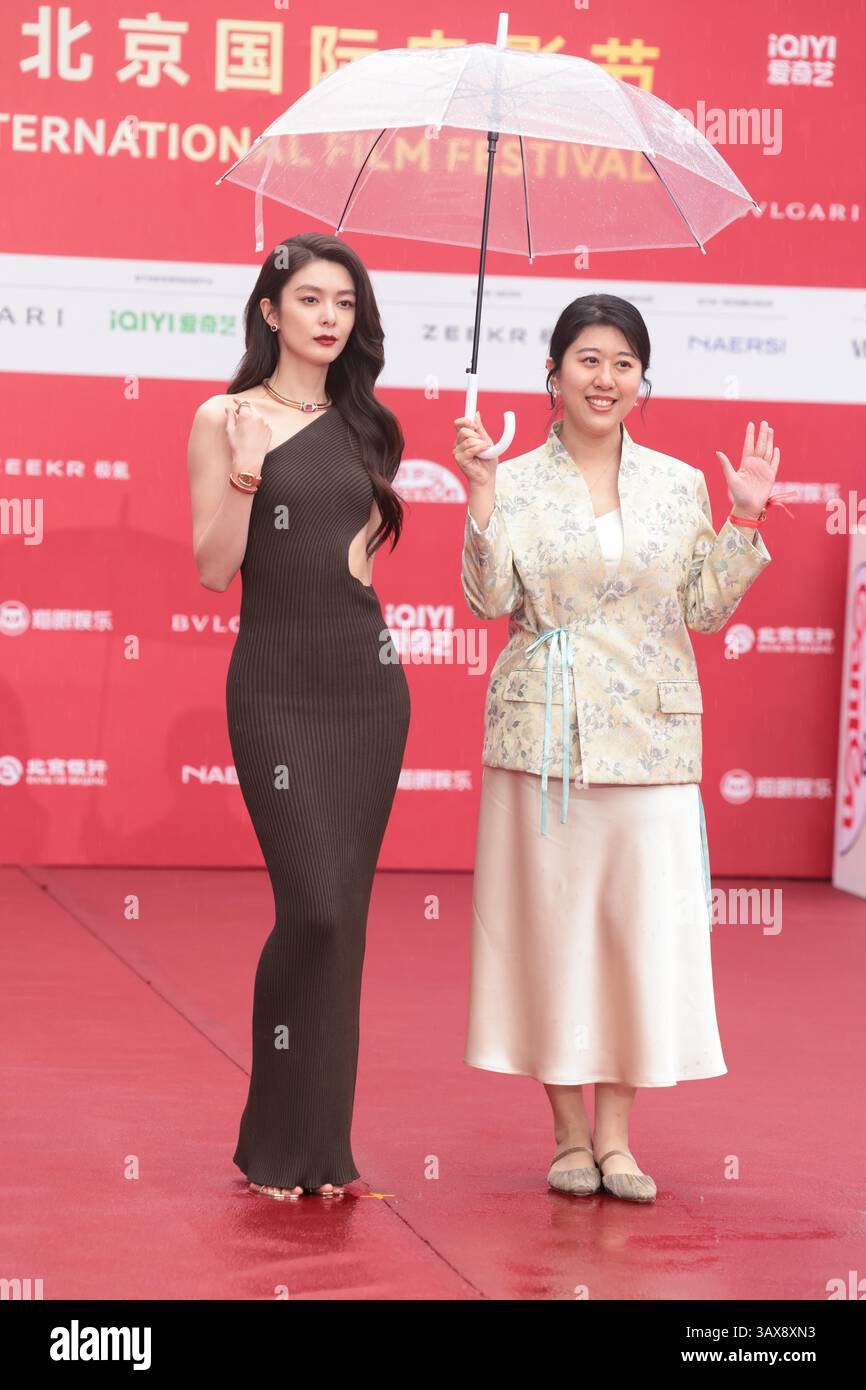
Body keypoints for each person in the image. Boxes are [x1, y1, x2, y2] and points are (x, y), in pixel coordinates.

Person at [455, 292, 786, 1202]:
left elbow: (707, 612)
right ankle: (567, 1136)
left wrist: (745, 520)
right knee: (553, 934)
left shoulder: (678, 483)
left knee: (639, 939)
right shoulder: (513, 477)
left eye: (623, 363)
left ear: (644, 381)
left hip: (651, 741)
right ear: (553, 375)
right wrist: (479, 499)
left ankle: (618, 1139)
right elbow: (488, 602)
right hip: (544, 742)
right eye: (587, 360)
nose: (605, 378)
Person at [187, 232, 410, 1199]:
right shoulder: (225, 416)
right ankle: (275, 1142)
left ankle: (323, 1152)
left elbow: (353, 564)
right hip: (275, 687)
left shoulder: (369, 426)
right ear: (270, 312)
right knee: (311, 908)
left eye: (346, 304)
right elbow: (211, 568)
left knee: (344, 923)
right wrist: (245, 468)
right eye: (311, 299)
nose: (329, 317)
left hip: (367, 686)